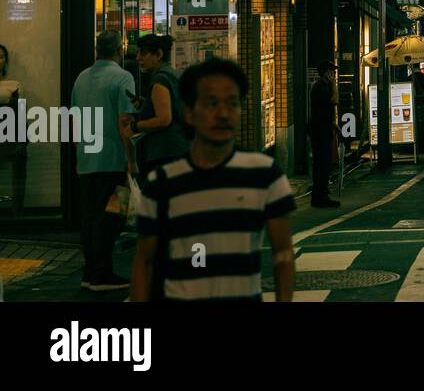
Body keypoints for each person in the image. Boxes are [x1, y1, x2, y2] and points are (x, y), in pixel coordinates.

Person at [130, 58, 296, 301]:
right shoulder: (162, 183)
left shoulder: (265, 174)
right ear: (188, 112)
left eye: (232, 103)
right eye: (211, 104)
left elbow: (283, 255)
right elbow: (145, 262)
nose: (223, 114)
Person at [71, 29, 137, 291]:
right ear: (119, 50)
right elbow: (125, 123)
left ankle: (90, 272)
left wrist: (79, 152)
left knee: (89, 217)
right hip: (112, 158)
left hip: (86, 157)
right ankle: (102, 273)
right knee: (112, 216)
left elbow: (74, 121)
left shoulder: (81, 78)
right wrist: (131, 159)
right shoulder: (123, 78)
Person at [130, 34, 190, 179]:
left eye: (143, 53)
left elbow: (164, 119)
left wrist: (136, 126)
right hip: (179, 149)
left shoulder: (160, 80)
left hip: (166, 152)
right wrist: (146, 104)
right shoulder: (173, 75)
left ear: (159, 54)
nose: (138, 57)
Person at [307, 62, 340, 208]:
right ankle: (320, 195)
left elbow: (326, 110)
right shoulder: (321, 88)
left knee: (323, 163)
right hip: (319, 131)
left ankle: (320, 195)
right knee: (322, 163)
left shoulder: (321, 87)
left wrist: (334, 124)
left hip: (322, 128)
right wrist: (334, 86)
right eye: (332, 72)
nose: (334, 75)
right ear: (326, 73)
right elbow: (334, 101)